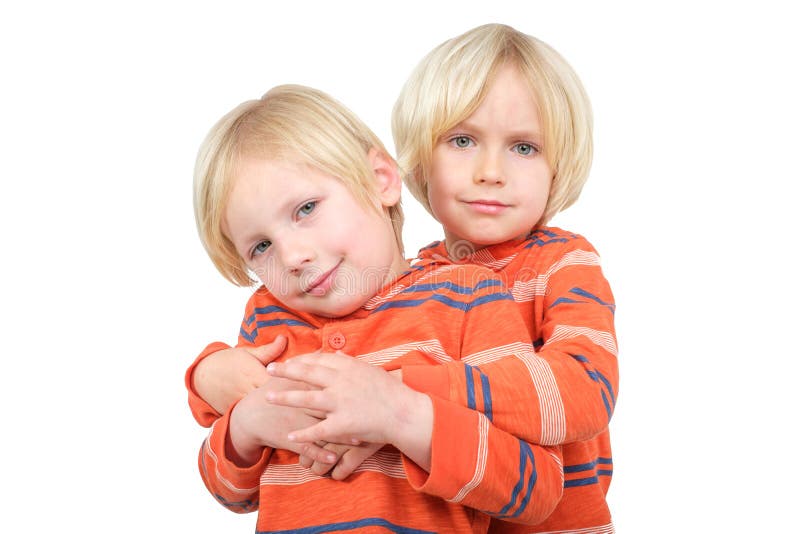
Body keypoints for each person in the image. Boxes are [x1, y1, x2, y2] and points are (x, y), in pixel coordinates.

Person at [264, 23, 619, 533]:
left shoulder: (563, 262)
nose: (490, 171)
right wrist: (212, 375)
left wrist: (399, 392)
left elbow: (586, 391)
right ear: (417, 156)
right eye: (462, 140)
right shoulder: (407, 280)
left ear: (558, 166)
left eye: (524, 147)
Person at [187, 83, 564, 532]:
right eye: (261, 246)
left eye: (306, 209)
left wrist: (400, 417)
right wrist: (245, 426)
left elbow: (535, 489)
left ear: (380, 181)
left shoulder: (468, 297)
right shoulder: (269, 320)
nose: (291, 256)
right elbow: (230, 492)